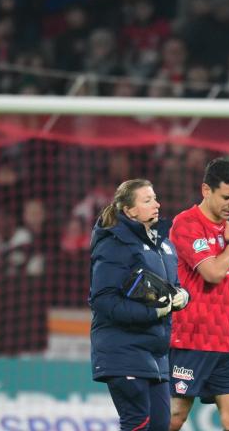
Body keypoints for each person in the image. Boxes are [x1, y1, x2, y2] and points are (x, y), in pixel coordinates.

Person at [89, 179, 189, 430]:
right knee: (138, 422)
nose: (157, 204)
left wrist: (183, 296)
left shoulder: (164, 244)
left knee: (160, 424)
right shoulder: (114, 244)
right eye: (147, 200)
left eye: (154, 198)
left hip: (156, 353)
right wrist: (153, 312)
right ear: (129, 210)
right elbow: (103, 300)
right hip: (123, 350)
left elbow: (174, 286)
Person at [169, 158, 229, 431]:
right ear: (206, 190)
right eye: (226, 197)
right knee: (175, 416)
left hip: (228, 341)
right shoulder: (187, 223)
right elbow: (213, 273)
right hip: (190, 339)